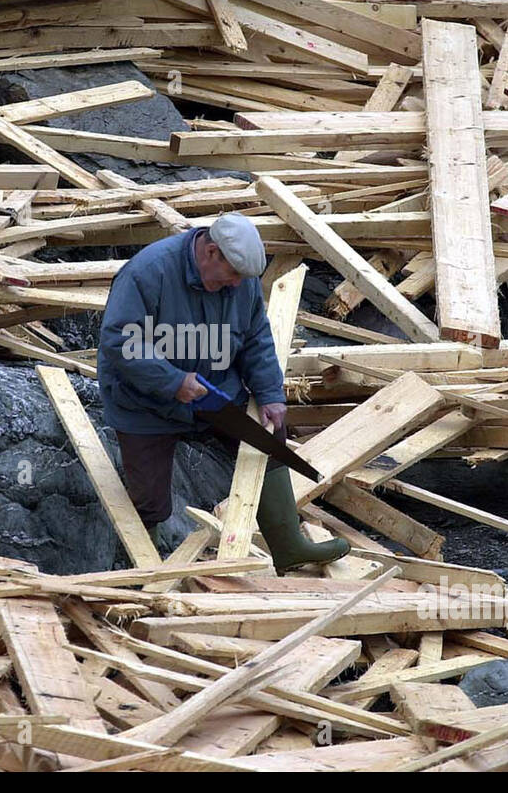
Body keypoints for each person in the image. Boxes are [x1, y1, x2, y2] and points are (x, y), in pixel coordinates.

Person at [97, 212, 349, 570]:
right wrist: (171, 381)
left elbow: (256, 338)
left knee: (267, 436)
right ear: (211, 251)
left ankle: (289, 547)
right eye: (231, 275)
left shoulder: (239, 279)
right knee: (150, 501)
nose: (235, 285)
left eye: (241, 279)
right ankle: (140, 571)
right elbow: (120, 341)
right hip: (144, 400)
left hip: (215, 389)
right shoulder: (148, 272)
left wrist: (270, 393)